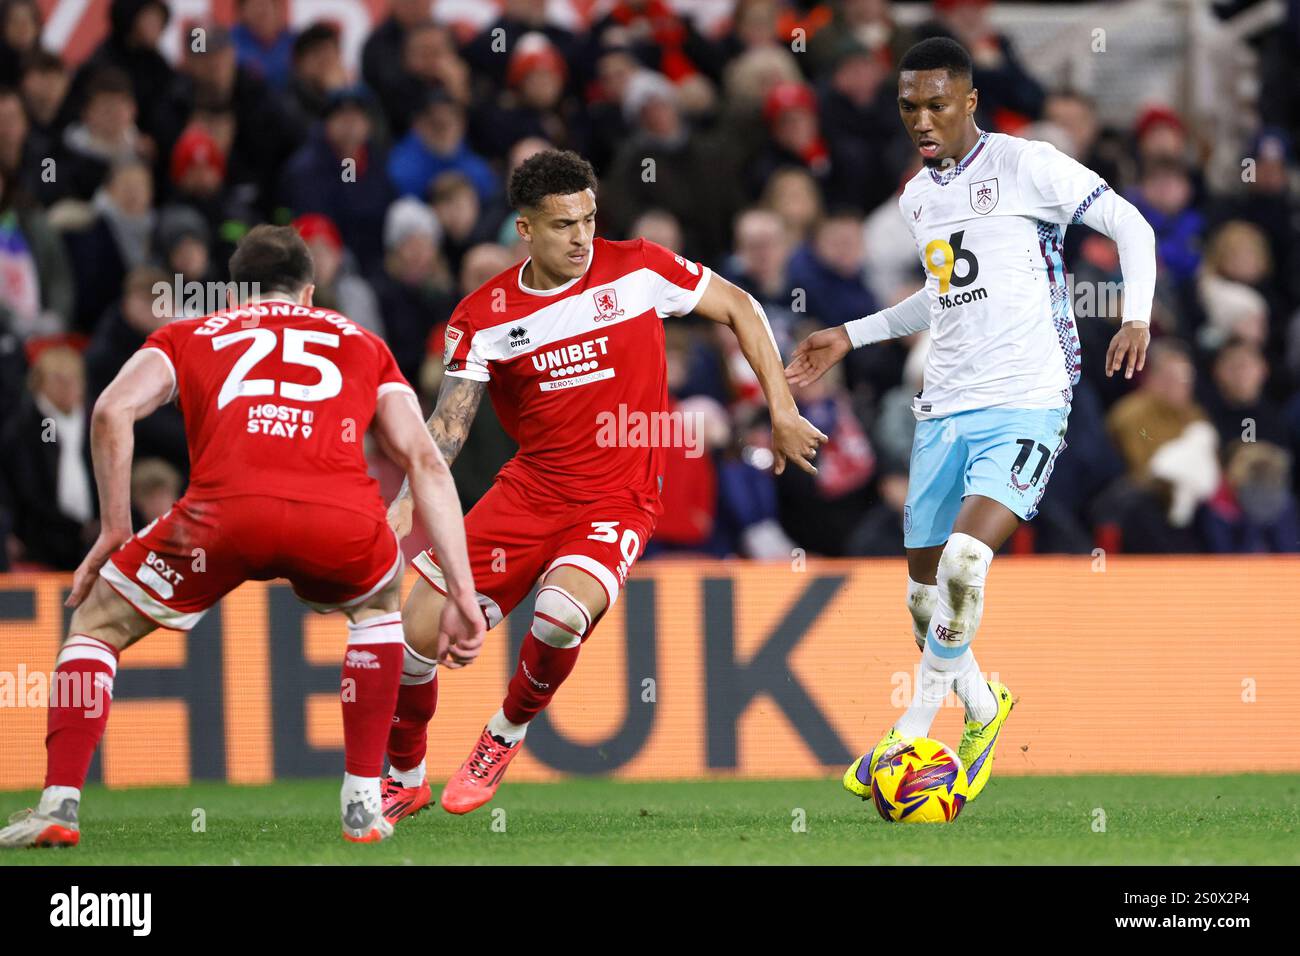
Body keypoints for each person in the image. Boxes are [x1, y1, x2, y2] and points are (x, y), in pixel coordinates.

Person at [0, 225, 483, 848]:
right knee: (378, 606)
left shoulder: (190, 333)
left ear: (236, 293)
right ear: (309, 293)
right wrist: (462, 591)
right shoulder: (365, 344)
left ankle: (59, 806)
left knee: (96, 622)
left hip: (221, 519)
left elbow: (110, 411)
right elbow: (424, 460)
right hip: (336, 520)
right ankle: (363, 800)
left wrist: (116, 527)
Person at [380, 149, 826, 821]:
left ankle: (503, 734)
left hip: (619, 496)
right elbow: (450, 422)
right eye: (563, 225)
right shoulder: (484, 316)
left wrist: (782, 409)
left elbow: (737, 304)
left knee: (560, 616)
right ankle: (406, 773)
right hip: (528, 493)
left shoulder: (640, 267)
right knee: (412, 634)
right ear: (524, 230)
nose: (582, 237)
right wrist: (411, 495)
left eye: (589, 219)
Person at [785, 38, 1155, 806]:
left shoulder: (1029, 165)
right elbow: (945, 293)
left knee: (963, 564)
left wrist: (1138, 316)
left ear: (970, 101)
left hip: (1029, 399)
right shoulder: (917, 197)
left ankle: (915, 727)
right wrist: (851, 333)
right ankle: (985, 709)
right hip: (944, 406)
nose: (921, 120)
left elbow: (1133, 227)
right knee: (924, 599)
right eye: (908, 107)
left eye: (937, 104)